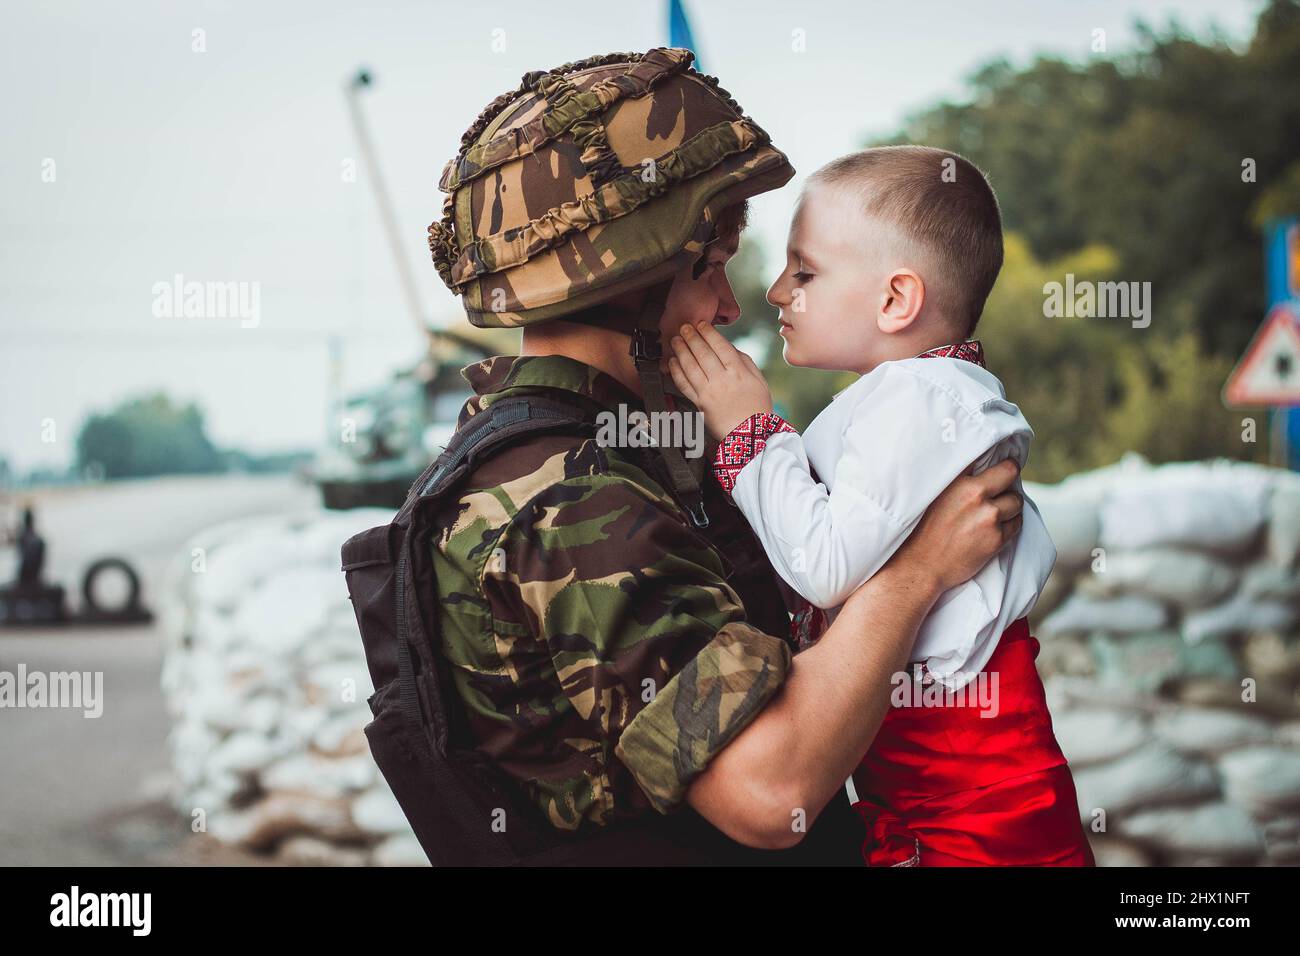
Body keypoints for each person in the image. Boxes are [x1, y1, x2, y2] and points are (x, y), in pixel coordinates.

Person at [418, 48, 1026, 864]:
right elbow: (773, 794)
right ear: (622, 284)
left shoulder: (612, 443)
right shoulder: (568, 495)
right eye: (706, 268)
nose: (733, 305)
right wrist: (919, 571)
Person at [668, 145, 1095, 865]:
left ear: (896, 300)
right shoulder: (916, 398)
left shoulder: (922, 400)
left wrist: (749, 431)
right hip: (949, 777)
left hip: (971, 791)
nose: (776, 292)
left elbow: (826, 565)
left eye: (804, 272)